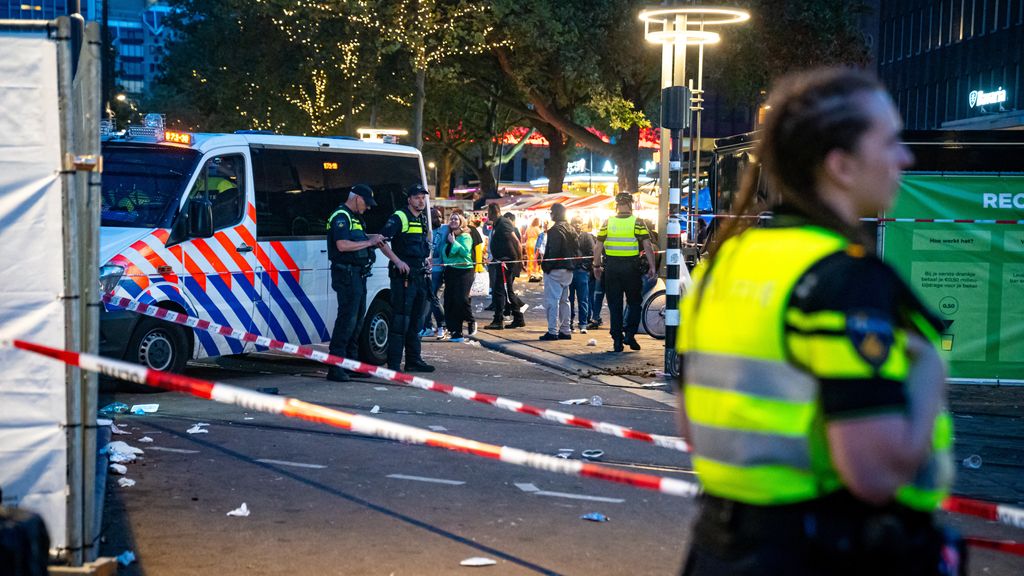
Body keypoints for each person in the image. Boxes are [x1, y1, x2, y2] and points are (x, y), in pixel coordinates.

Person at [676, 67, 957, 576]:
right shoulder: (842, 280)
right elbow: (873, 472)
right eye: (891, 142)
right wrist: (931, 373)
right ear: (842, 165)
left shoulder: (728, 263)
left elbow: (693, 427)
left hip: (719, 549)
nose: (905, 158)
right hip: (820, 552)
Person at [325, 184, 385, 382]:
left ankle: (351, 363)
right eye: (366, 203)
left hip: (358, 275)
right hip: (346, 275)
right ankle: (335, 367)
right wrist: (369, 243)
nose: (367, 207)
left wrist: (373, 238)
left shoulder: (356, 218)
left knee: (358, 320)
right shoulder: (340, 216)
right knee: (347, 321)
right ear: (357, 198)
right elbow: (342, 245)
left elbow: (356, 239)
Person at [379, 184, 435, 373]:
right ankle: (393, 365)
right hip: (403, 277)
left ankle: (413, 360)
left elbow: (423, 245)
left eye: (423, 197)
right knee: (400, 321)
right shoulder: (400, 217)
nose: (421, 200)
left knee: (416, 321)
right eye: (417, 197)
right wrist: (397, 261)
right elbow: (381, 240)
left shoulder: (422, 220)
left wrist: (427, 260)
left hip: (419, 275)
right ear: (409, 199)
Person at [593, 193, 656, 352]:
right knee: (634, 302)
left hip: (612, 268)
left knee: (615, 305)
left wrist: (596, 266)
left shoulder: (608, 222)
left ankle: (617, 341)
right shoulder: (637, 222)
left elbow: (598, 246)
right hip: (631, 268)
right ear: (631, 205)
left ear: (617, 205)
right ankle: (629, 334)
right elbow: (647, 245)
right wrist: (652, 266)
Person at [483, 203, 527, 330]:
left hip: (506, 263)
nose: (487, 215)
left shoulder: (504, 223)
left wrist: (518, 260)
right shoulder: (497, 224)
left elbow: (516, 242)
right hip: (501, 261)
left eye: (488, 212)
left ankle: (499, 319)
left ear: (493, 212)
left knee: (501, 292)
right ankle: (518, 317)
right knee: (504, 291)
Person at [538, 203, 577, 341]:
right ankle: (565, 329)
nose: (550, 214)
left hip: (555, 269)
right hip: (568, 269)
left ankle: (552, 330)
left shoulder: (554, 230)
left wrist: (546, 266)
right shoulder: (571, 228)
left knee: (552, 301)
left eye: (551, 212)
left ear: (555, 213)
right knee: (564, 300)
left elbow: (553, 251)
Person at [441, 213, 476, 342]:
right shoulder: (448, 236)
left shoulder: (465, 236)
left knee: (461, 299)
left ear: (462, 222)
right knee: (450, 301)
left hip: (464, 271)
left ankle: (471, 320)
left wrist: (454, 243)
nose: (453, 221)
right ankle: (455, 331)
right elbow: (446, 255)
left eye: (456, 219)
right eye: (451, 219)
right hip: (450, 270)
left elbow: (465, 252)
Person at [420, 207, 446, 338]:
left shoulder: (445, 229)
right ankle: (427, 326)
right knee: (427, 299)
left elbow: (464, 228)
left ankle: (442, 325)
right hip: (427, 269)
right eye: (435, 217)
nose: (439, 219)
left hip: (438, 270)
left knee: (434, 298)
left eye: (440, 216)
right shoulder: (426, 230)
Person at [568, 216, 593, 333]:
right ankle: (569, 323)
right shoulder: (569, 236)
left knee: (583, 299)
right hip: (570, 271)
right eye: (575, 223)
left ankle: (583, 323)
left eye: (579, 223)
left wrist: (584, 266)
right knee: (569, 299)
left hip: (581, 272)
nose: (577, 225)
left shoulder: (586, 236)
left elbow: (591, 252)